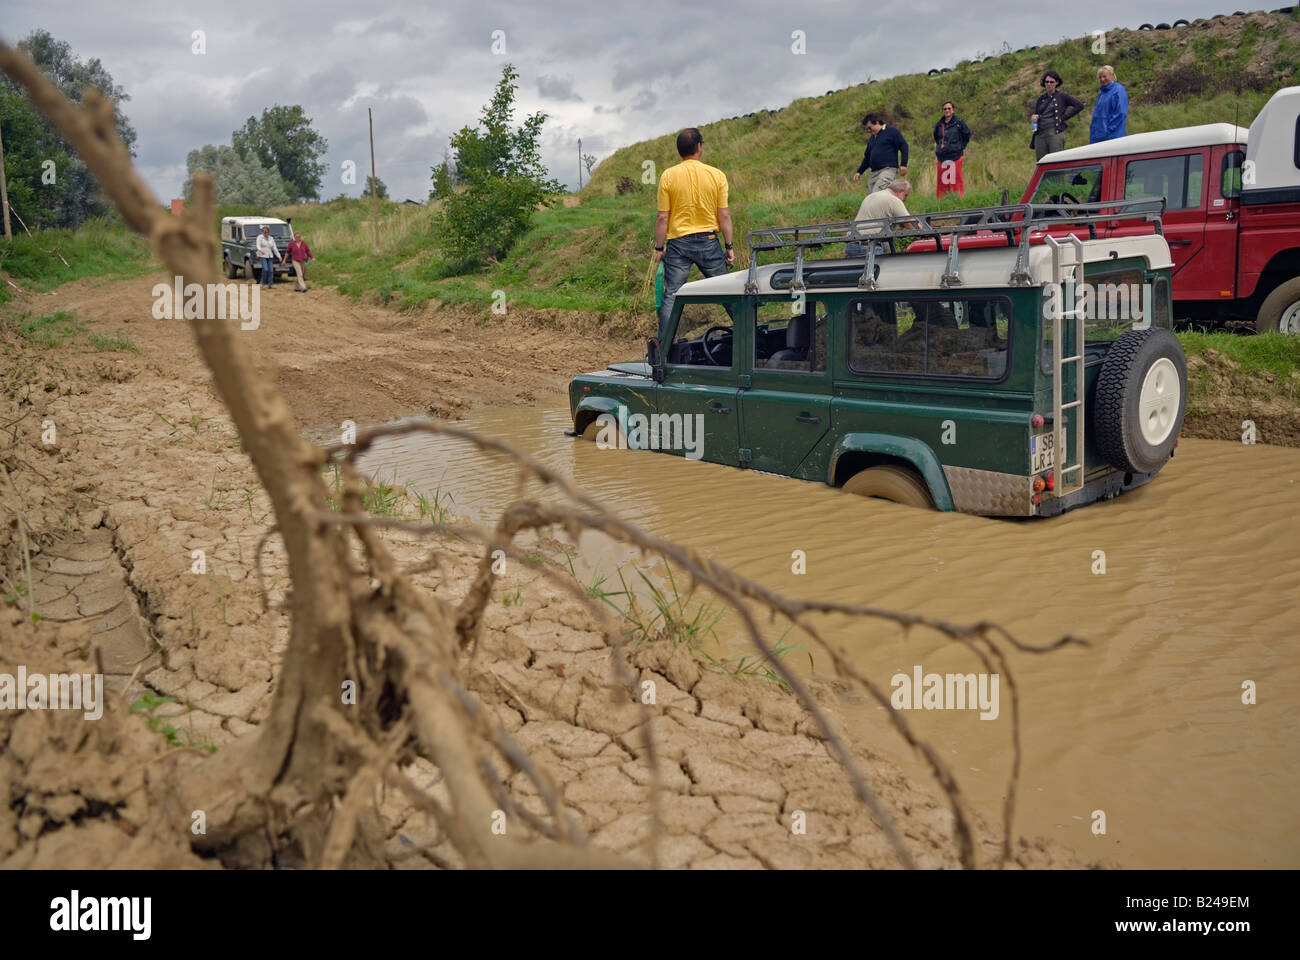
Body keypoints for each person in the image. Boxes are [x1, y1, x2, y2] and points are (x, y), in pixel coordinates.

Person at [653, 127, 735, 329]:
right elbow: (724, 214)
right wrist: (729, 246)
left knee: (671, 295)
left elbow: (663, 217)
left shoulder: (668, 176)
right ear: (699, 147)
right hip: (708, 242)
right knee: (729, 293)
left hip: (678, 244)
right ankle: (750, 337)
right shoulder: (717, 175)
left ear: (679, 150)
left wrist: (659, 248)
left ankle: (662, 349)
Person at [846, 179, 915, 255]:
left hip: (851, 244)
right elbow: (911, 223)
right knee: (880, 266)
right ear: (900, 191)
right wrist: (927, 233)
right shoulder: (893, 199)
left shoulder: (871, 196)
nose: (905, 199)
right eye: (905, 195)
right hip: (870, 246)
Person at [1030, 70, 1085, 160]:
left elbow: (1079, 105)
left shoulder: (1062, 96)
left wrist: (1063, 118)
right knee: (1041, 162)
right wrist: (1033, 123)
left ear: (1057, 83)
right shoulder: (1041, 99)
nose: (1049, 84)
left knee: (1056, 162)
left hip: (1054, 133)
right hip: (1039, 134)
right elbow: (1034, 122)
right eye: (1046, 82)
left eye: (1052, 82)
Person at [853, 113, 909, 195]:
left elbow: (904, 145)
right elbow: (867, 157)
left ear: (877, 122)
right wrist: (859, 172)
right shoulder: (872, 139)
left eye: (870, 127)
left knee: (877, 194)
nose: (868, 131)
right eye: (867, 129)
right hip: (874, 173)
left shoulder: (891, 131)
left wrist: (904, 164)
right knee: (870, 197)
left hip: (888, 170)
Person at [933, 101, 972, 198]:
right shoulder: (939, 124)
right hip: (942, 158)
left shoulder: (959, 123)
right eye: (945, 109)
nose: (947, 110)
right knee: (943, 183)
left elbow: (967, 135)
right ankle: (942, 204)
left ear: (953, 110)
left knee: (955, 182)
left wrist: (960, 147)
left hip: (955, 157)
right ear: (942, 111)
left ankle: (958, 201)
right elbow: (936, 137)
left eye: (949, 108)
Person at [1089, 65, 1128, 143]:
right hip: (1097, 137)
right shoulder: (1102, 93)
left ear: (1112, 75)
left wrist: (1108, 131)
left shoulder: (1118, 90)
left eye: (1104, 76)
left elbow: (1120, 113)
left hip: (1112, 137)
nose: (1102, 79)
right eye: (1100, 77)